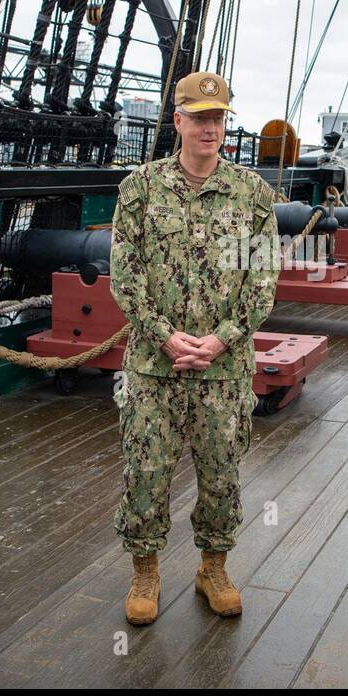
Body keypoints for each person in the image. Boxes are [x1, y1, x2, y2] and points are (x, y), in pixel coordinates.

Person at [110, 71, 280, 625]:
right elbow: (124, 275)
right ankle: (145, 571)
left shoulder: (251, 194)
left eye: (219, 117)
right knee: (146, 470)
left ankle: (213, 567)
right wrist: (164, 334)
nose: (211, 127)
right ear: (177, 120)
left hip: (223, 369)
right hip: (153, 367)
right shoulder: (139, 188)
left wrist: (220, 340)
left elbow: (262, 280)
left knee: (221, 472)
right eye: (200, 117)